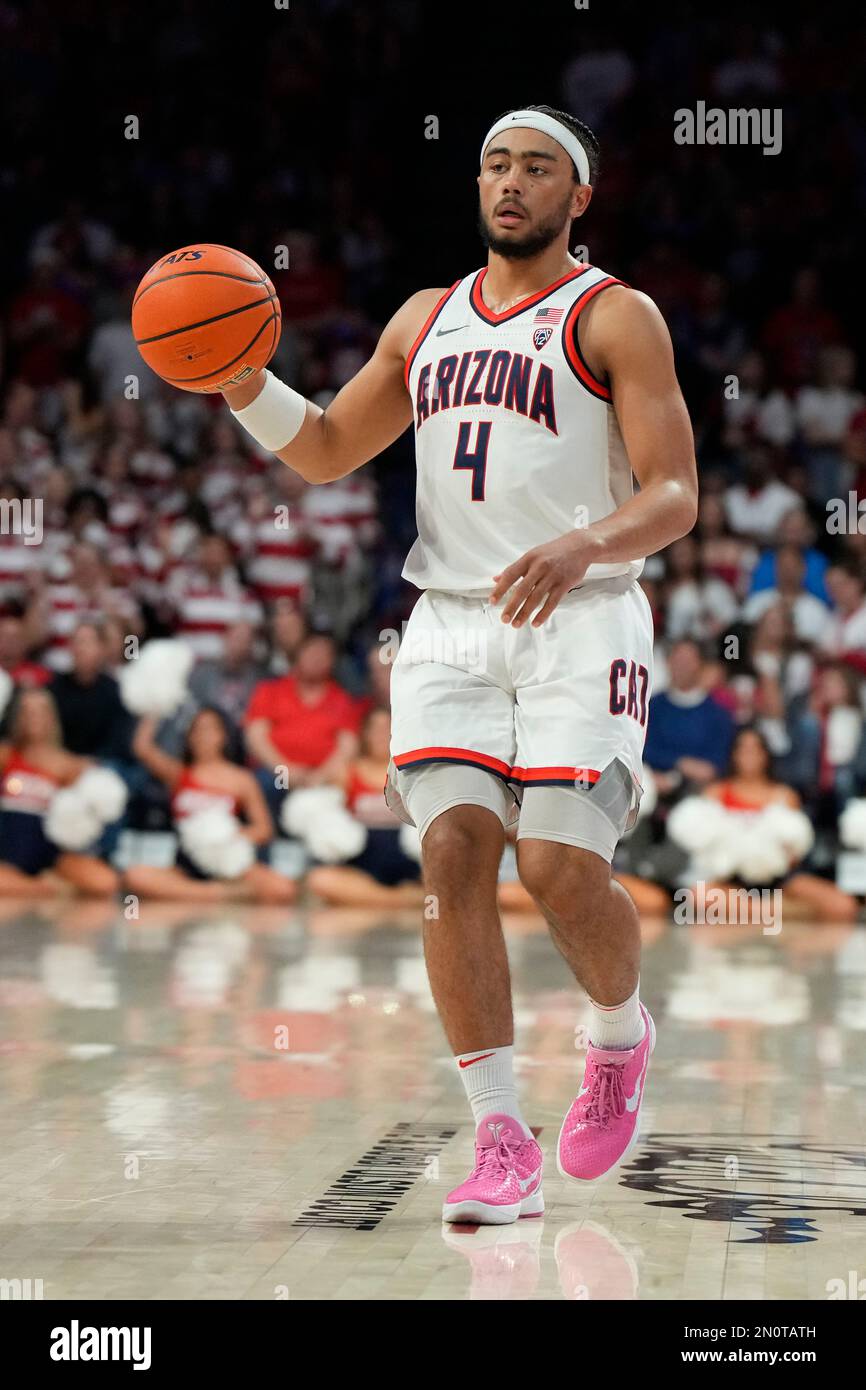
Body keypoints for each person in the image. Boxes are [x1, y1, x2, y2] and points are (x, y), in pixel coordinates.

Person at [215, 105, 698, 1223]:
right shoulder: (425, 318)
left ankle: (617, 1037)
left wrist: (586, 542)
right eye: (495, 165)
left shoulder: (615, 315)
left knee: (558, 868)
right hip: (447, 620)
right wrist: (241, 382)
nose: (510, 182)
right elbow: (327, 449)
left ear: (578, 195)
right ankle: (497, 1136)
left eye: (536, 168)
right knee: (451, 853)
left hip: (581, 613)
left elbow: (675, 494)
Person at [685, 727, 857, 924]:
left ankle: (757, 913)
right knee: (697, 896)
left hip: (778, 878)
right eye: (743, 750)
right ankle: (777, 912)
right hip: (731, 878)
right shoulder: (716, 792)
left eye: (755, 750)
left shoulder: (784, 795)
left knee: (842, 906)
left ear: (766, 755)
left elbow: (797, 848)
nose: (749, 756)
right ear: (733, 755)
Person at [125, 710, 297, 905]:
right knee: (136, 876)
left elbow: (264, 829)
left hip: (229, 864)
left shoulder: (242, 779)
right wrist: (155, 705)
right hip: (188, 866)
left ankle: (212, 892)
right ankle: (217, 894)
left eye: (209, 729)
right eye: (197, 730)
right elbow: (142, 748)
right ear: (189, 737)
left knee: (283, 889)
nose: (203, 736)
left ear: (223, 736)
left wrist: (225, 838)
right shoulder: (179, 774)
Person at [0, 687, 119, 898]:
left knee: (104, 882)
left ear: (51, 717)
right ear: (17, 717)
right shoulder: (6, 755)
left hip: (50, 851)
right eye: (27, 711)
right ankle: (45, 888)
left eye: (40, 711)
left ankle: (32, 885)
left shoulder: (69, 764)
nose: (33, 718)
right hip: (9, 849)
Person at [305, 707, 426, 908]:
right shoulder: (346, 772)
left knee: (451, 878)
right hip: (362, 861)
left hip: (408, 859)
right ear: (365, 734)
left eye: (387, 729)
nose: (380, 736)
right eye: (375, 729)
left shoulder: (412, 772)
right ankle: (403, 900)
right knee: (319, 879)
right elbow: (325, 812)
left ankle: (375, 899)